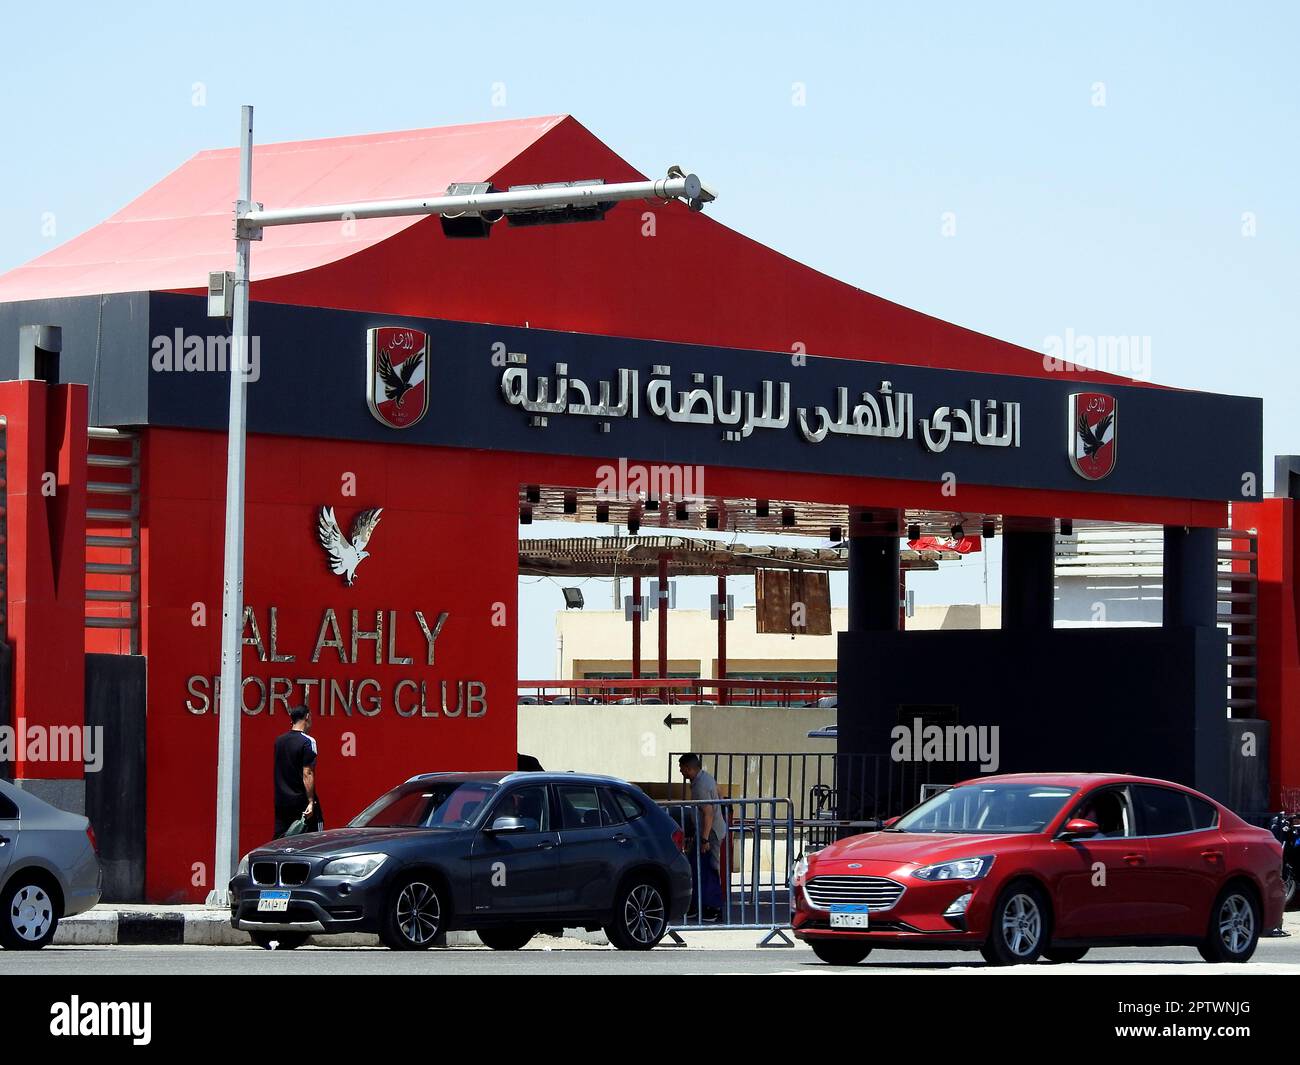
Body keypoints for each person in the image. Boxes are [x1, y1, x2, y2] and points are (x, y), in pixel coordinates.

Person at [678, 753, 726, 921]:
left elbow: (708, 813)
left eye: (681, 768)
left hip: (710, 833)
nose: (680, 771)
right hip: (708, 831)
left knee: (708, 869)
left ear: (689, 768)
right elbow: (719, 794)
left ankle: (712, 908)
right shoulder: (705, 778)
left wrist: (704, 839)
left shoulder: (700, 785)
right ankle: (698, 906)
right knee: (698, 867)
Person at [273, 705, 321, 838]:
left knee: (280, 840)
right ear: (307, 717)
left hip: (281, 801)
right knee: (314, 840)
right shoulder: (308, 741)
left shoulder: (279, 741)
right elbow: (308, 772)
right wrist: (311, 801)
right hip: (301, 801)